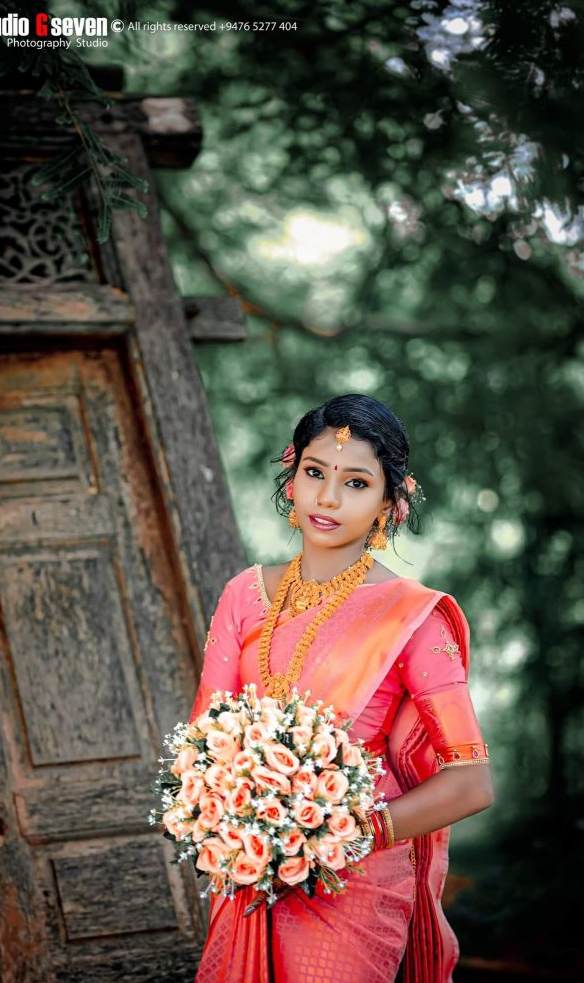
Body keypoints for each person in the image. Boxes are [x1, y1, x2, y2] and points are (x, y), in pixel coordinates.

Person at [188, 393, 493, 983]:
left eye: (356, 483)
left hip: (353, 879)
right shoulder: (243, 595)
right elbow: (204, 744)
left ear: (390, 503)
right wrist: (236, 825)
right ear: (292, 476)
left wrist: (339, 833)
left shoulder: (412, 616)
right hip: (249, 871)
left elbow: (471, 781)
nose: (327, 497)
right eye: (314, 473)